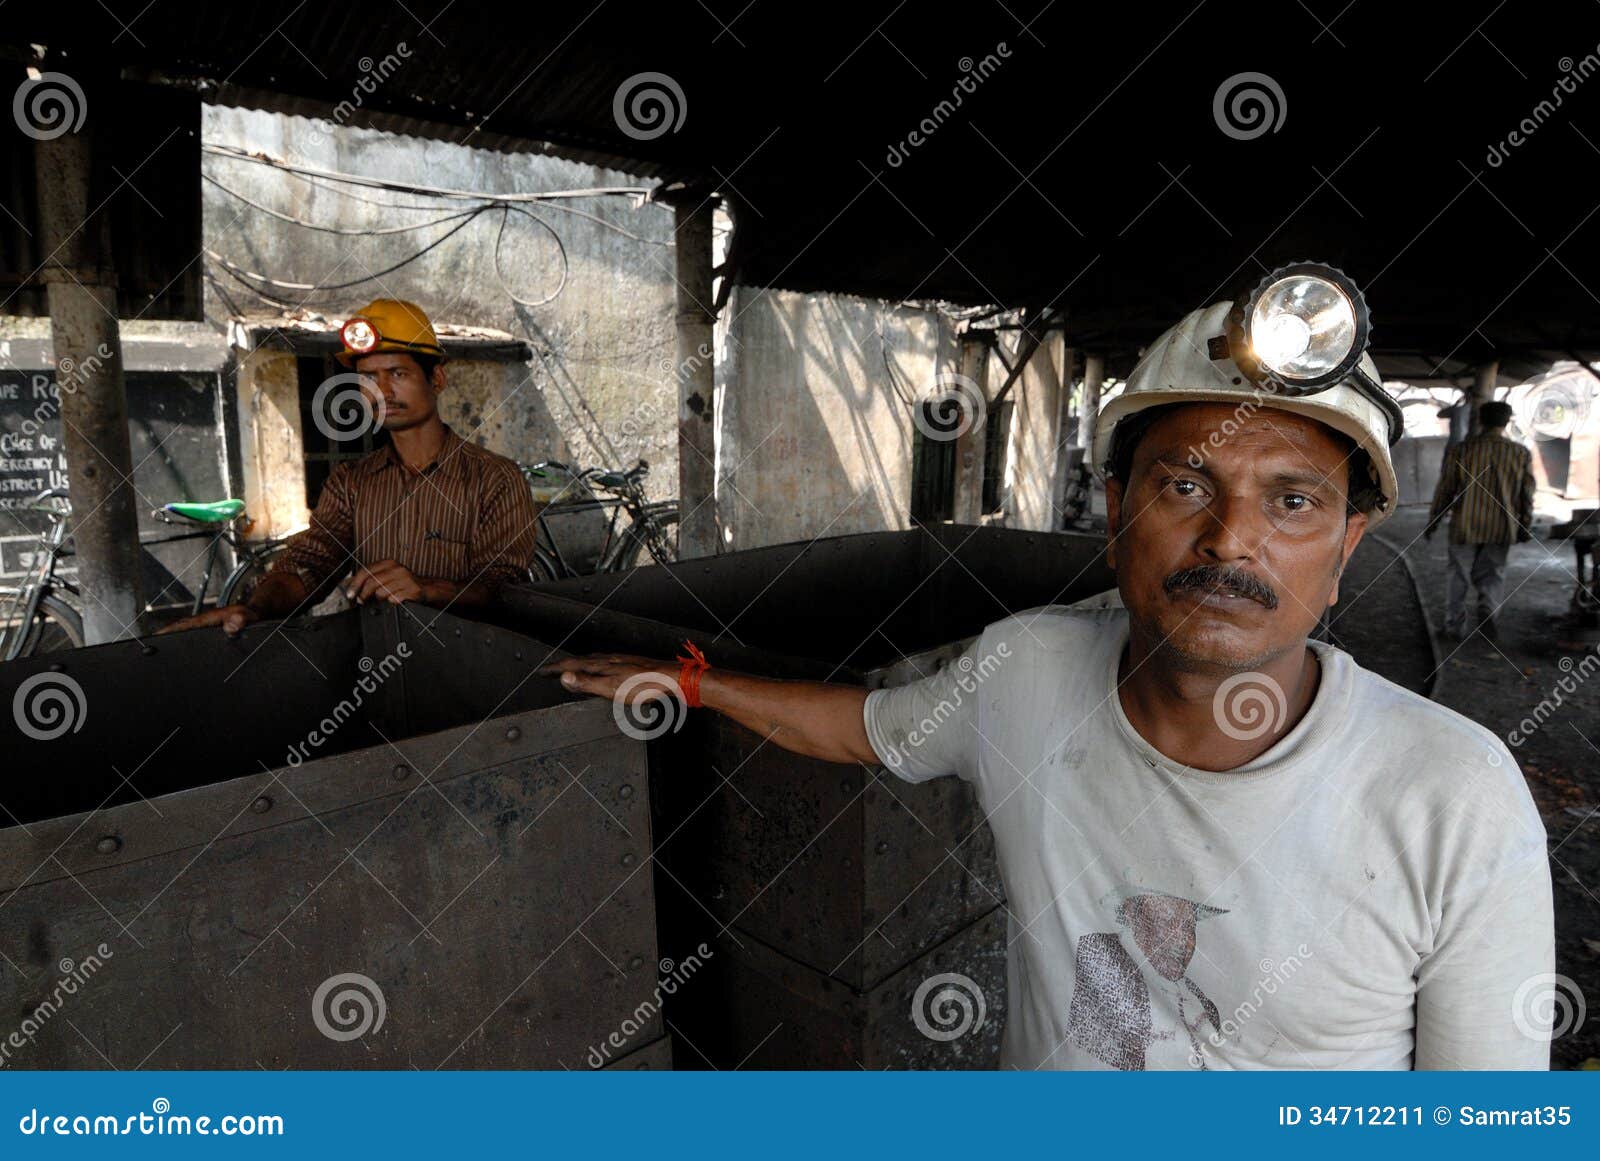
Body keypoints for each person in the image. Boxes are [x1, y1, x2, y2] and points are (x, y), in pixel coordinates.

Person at [543, 269, 1553, 1070]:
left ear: (1344, 551)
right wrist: (694, 684)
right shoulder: (1025, 672)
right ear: (1113, 512)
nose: (1229, 540)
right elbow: (859, 727)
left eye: (1293, 503)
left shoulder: (1452, 794)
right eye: (1185, 483)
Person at [161, 299, 539, 635]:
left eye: (398, 374)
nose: (383, 392)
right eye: (368, 378)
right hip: (377, 674)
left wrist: (427, 589)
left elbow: (503, 590)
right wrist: (256, 608)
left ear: (436, 378)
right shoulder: (351, 483)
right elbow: (310, 562)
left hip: (470, 668)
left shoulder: (495, 479)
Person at [1425, 399, 1535, 641]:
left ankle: (1455, 627)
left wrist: (1434, 520)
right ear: (1506, 422)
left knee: (1458, 575)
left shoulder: (1462, 450)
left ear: (1480, 421)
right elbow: (1526, 495)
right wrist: (1525, 524)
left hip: (1465, 525)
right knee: (1494, 572)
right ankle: (1488, 609)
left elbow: (1445, 490)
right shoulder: (1520, 453)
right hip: (1502, 526)